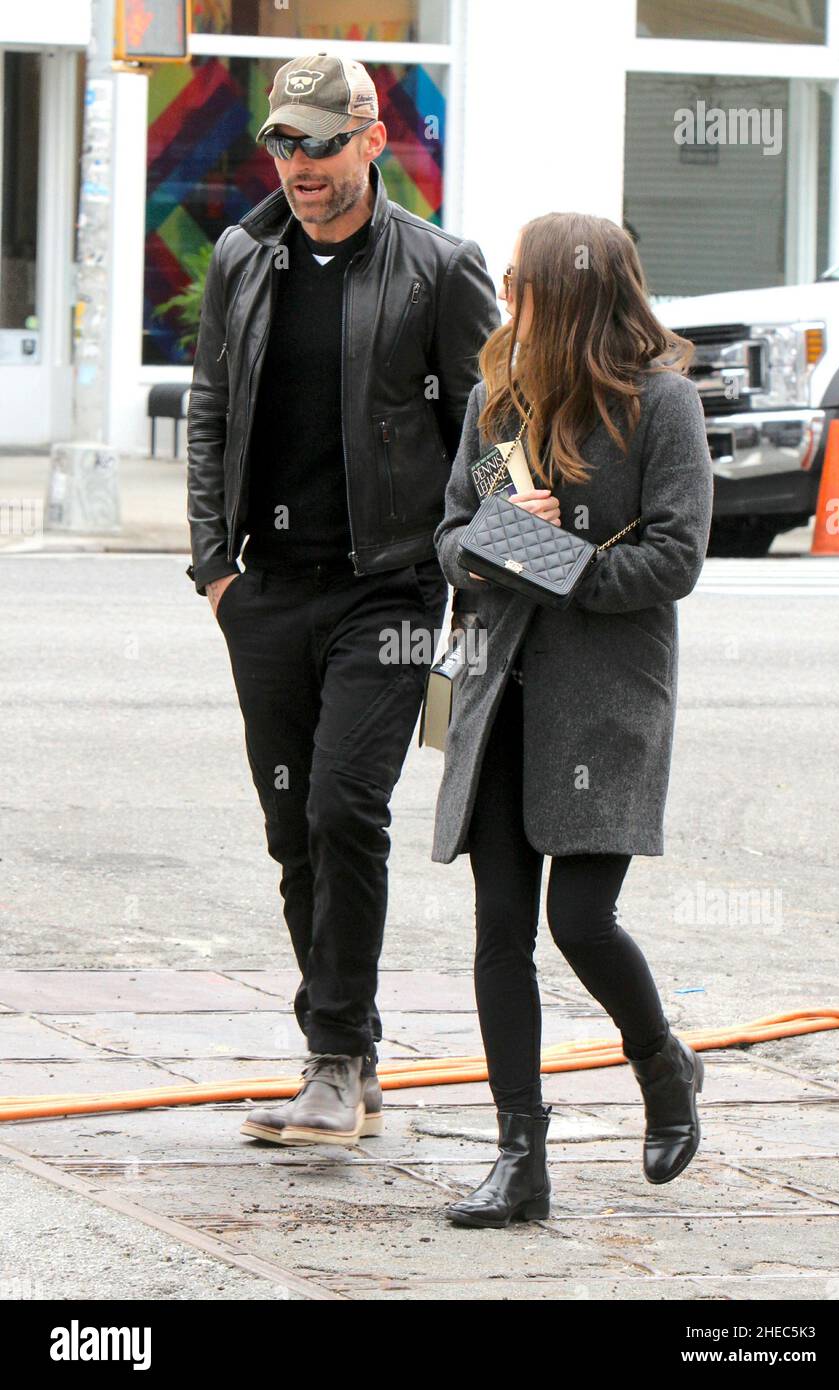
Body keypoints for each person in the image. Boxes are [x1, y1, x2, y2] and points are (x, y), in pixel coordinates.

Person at [185, 52, 500, 1146]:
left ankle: (330, 1053)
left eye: (321, 143)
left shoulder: (438, 267)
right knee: (290, 828)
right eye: (284, 142)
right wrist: (212, 566)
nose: (300, 164)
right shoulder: (243, 254)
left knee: (341, 808)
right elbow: (211, 407)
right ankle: (349, 1044)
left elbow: (486, 431)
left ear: (372, 139)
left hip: (392, 587)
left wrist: (492, 562)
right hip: (263, 591)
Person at [431, 212, 714, 1227]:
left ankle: (661, 1063)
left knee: (578, 920)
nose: (509, 294)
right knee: (500, 927)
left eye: (524, 280)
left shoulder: (661, 407)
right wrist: (496, 540)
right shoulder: (495, 401)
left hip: (603, 700)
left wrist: (548, 559)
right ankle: (519, 1157)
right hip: (498, 690)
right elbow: (451, 537)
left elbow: (673, 559)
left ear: (577, 292)